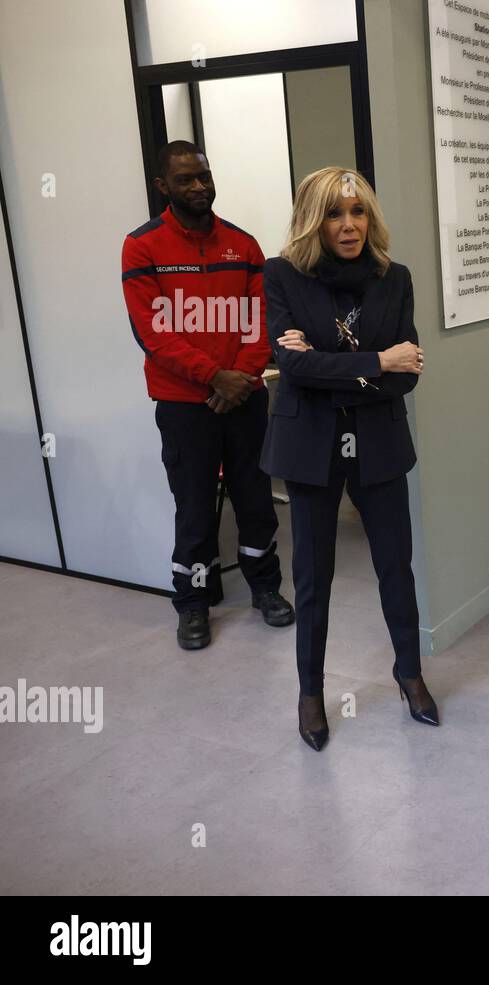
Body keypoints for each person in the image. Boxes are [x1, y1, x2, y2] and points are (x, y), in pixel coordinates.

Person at [261, 167, 438, 751]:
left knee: (396, 567)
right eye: (334, 213)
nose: (348, 225)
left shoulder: (396, 278)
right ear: (314, 219)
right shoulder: (282, 275)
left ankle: (408, 671)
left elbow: (407, 375)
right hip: (308, 447)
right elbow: (292, 369)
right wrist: (375, 363)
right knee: (314, 576)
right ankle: (310, 691)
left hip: (379, 442)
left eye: (357, 211)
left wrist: (332, 366)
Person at [121, 140, 294, 651]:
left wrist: (240, 377)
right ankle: (193, 603)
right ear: (163, 188)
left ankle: (266, 589)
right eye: (185, 179)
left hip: (244, 397)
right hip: (183, 404)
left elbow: (259, 318)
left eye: (204, 176)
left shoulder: (242, 245)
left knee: (256, 500)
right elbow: (153, 332)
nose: (198, 186)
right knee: (194, 508)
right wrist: (213, 377)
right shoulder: (142, 246)